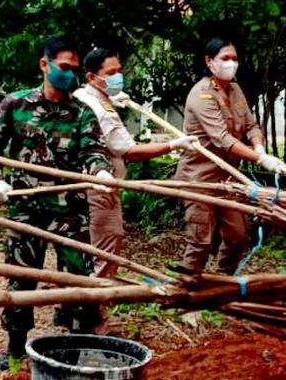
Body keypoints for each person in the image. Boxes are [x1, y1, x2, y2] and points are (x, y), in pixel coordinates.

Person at [0, 35, 113, 370]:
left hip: (70, 211)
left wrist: (100, 172)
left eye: (73, 69)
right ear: (45, 65)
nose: (69, 75)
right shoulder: (15, 105)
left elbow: (94, 149)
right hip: (25, 208)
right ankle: (15, 350)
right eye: (64, 67)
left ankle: (72, 348)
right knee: (21, 276)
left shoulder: (81, 112)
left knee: (76, 276)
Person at [74, 47, 196, 281]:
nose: (118, 76)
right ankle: (94, 304)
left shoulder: (84, 97)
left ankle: (73, 305)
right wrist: (173, 145)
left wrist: (110, 98)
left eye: (119, 70)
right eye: (111, 72)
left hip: (81, 186)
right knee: (106, 245)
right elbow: (129, 150)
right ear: (92, 77)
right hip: (100, 186)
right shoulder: (100, 109)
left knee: (83, 249)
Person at [176, 37, 284, 275]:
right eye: (225, 58)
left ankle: (222, 282)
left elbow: (251, 125)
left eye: (234, 59)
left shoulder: (235, 90)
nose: (231, 64)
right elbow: (222, 138)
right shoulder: (201, 94)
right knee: (200, 240)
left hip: (228, 178)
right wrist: (260, 160)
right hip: (198, 178)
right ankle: (185, 291)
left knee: (237, 235)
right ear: (209, 61)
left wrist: (259, 149)